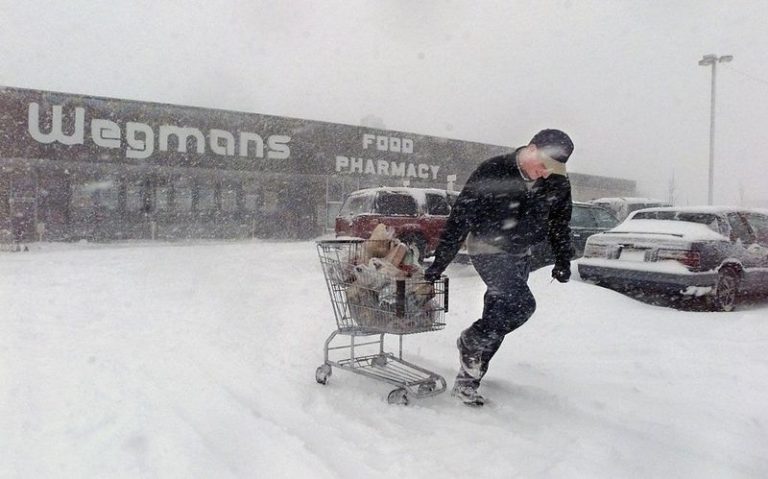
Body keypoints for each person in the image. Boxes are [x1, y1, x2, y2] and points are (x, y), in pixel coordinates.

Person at [424, 129, 575, 406]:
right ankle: (471, 340)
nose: (544, 174)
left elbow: (559, 223)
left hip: (520, 253)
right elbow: (461, 217)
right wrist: (439, 263)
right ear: (530, 149)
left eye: (551, 170)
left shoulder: (557, 182)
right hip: (487, 247)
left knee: (498, 313)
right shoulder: (494, 170)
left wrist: (563, 259)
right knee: (520, 305)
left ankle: (467, 382)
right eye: (542, 165)